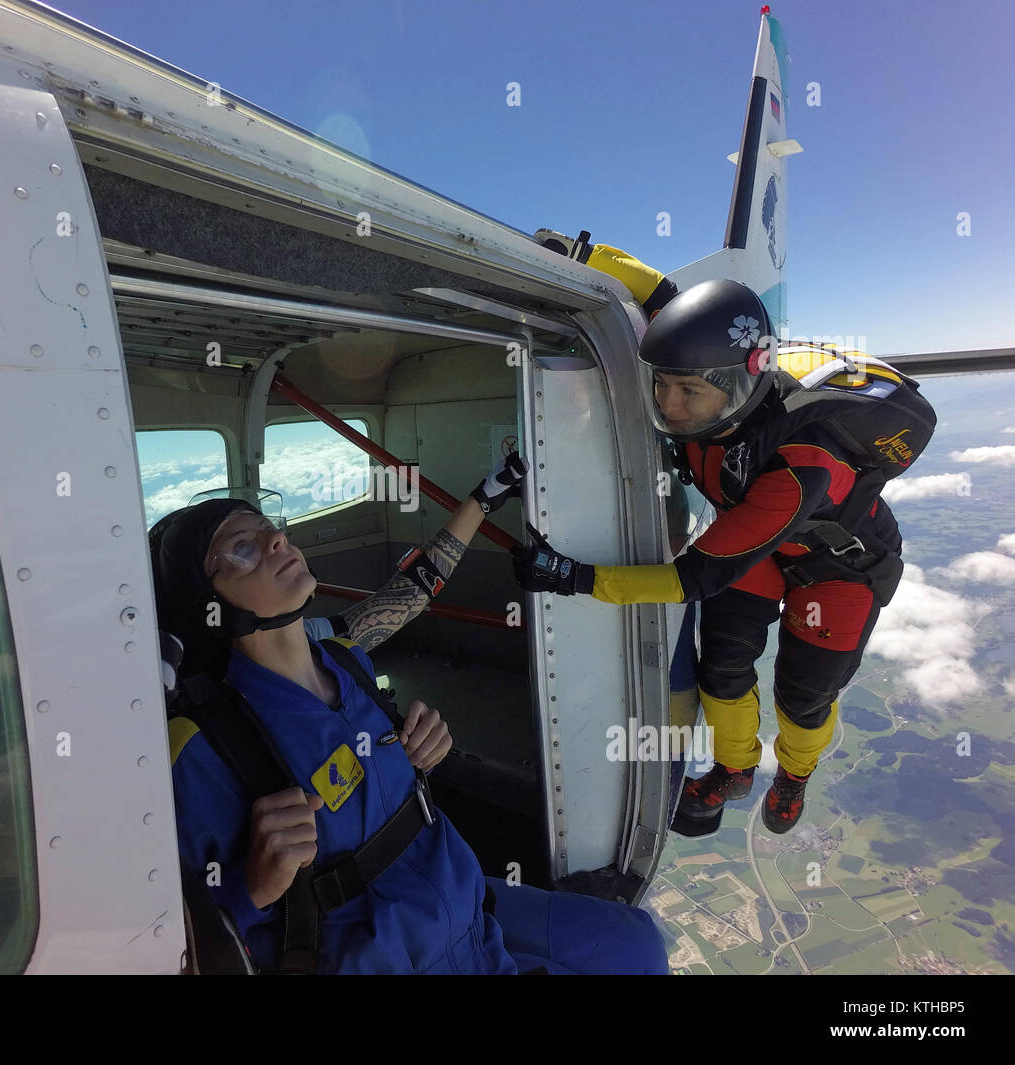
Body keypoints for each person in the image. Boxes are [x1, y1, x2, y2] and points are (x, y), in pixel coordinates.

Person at [150, 489, 667, 974]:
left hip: (464, 899)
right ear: (208, 603)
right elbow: (178, 943)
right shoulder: (203, 747)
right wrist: (250, 887)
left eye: (270, 528)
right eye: (242, 548)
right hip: (390, 953)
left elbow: (412, 591)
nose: (276, 541)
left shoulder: (346, 661)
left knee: (640, 944)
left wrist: (422, 755)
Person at [509, 275, 932, 835]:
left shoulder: (802, 466)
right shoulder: (717, 384)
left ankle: (794, 776)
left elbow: (693, 578)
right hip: (762, 540)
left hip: (838, 565)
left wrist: (572, 577)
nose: (670, 406)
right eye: (662, 385)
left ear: (737, 387)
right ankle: (735, 769)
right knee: (723, 666)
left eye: (689, 392)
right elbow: (659, 289)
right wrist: (579, 255)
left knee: (805, 696)